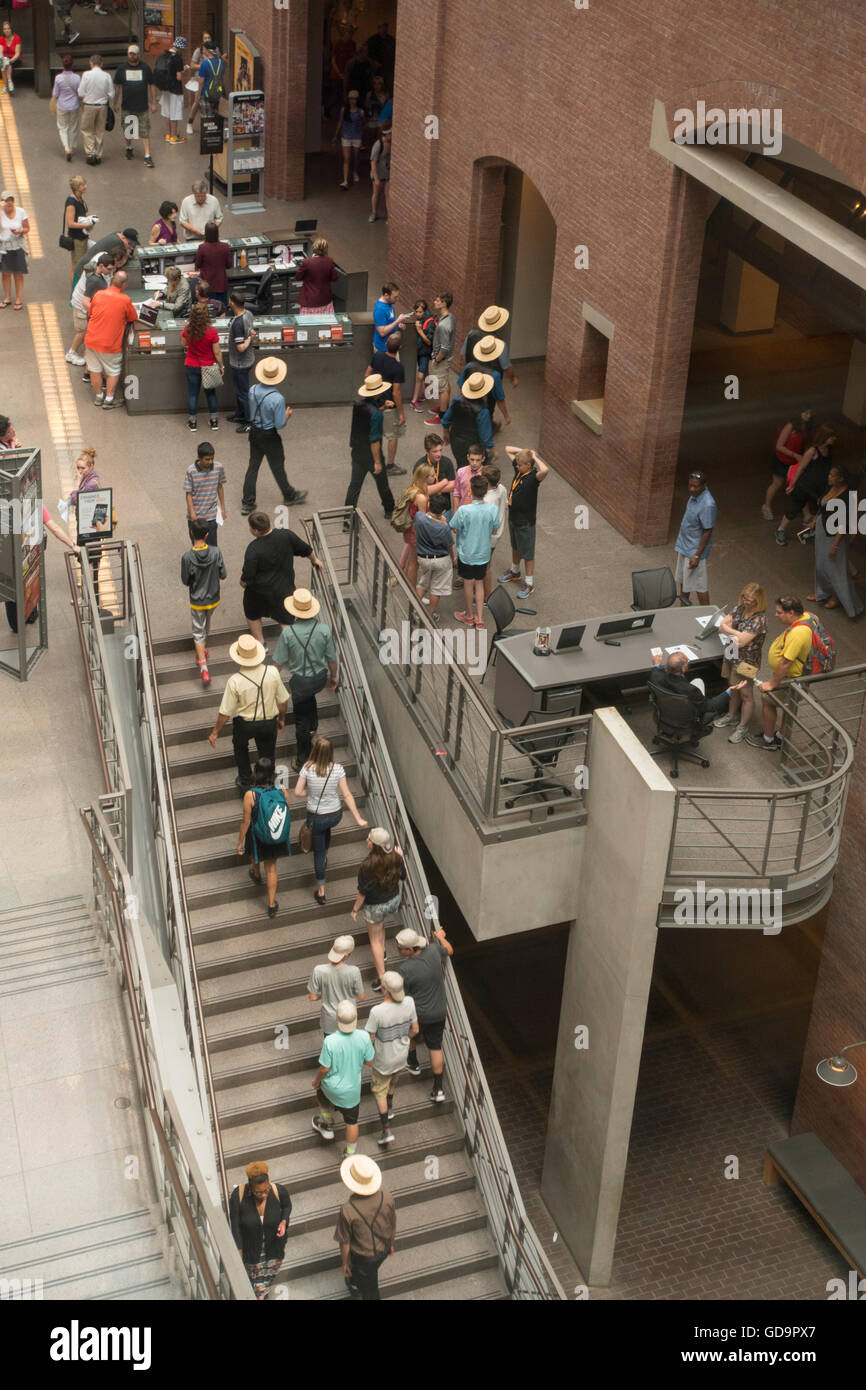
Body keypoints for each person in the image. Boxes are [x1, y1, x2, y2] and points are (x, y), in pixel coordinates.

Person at [209, 632, 290, 790]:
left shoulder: (235, 681)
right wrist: (281, 719)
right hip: (268, 722)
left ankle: (245, 780)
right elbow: (283, 700)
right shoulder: (272, 672)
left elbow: (225, 712)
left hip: (245, 724)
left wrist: (215, 732)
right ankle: (266, 782)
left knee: (240, 747)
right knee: (267, 754)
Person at [747, 597, 827, 750]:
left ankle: (769, 740)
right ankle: (781, 736)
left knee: (767, 699)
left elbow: (785, 663)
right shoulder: (808, 616)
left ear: (791, 612)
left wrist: (772, 684)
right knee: (789, 706)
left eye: (779, 612)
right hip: (799, 675)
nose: (776, 615)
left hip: (793, 678)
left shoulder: (798, 633)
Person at [296, 738, 367, 906]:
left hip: (317, 816)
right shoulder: (338, 769)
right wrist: (358, 818)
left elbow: (298, 792)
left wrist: (311, 793)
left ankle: (321, 892)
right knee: (325, 831)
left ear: (314, 751)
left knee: (318, 854)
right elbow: (347, 795)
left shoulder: (307, 768)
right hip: (335, 815)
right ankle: (325, 853)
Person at [275, 589, 338, 773]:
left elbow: (278, 663)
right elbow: (332, 658)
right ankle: (314, 725)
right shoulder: (324, 630)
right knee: (310, 698)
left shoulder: (287, 634)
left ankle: (303, 759)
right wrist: (333, 676)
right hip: (319, 678)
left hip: (300, 682)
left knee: (300, 720)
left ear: (294, 611)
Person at [240, 511, 322, 647]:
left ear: (254, 530)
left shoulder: (253, 549)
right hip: (283, 589)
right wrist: (315, 560)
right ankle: (291, 648)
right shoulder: (286, 535)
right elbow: (306, 550)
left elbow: (248, 576)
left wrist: (243, 583)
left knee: (252, 613)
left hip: (259, 592)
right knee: (285, 619)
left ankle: (261, 643)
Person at [395, 925, 454, 1104]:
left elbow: (401, 997)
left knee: (409, 1031)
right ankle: (439, 1089)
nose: (397, 950)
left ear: (411, 949)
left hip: (419, 1014)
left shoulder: (405, 970)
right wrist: (441, 937)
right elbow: (450, 950)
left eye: (401, 948)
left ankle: (412, 1061)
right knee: (435, 1047)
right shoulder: (434, 950)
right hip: (439, 1011)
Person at [243, 357, 308, 514]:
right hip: (270, 436)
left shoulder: (252, 390)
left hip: (254, 432)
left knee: (253, 467)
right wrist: (287, 415)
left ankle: (247, 502)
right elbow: (279, 424)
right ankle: (289, 495)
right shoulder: (278, 399)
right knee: (278, 466)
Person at [4, 503, 80, 633]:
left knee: (12, 588)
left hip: (10, 557)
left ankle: (16, 624)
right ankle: (31, 613)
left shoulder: (5, 505)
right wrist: (72, 545)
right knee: (31, 578)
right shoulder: (34, 503)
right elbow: (54, 528)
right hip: (30, 554)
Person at [312, 1000, 375, 1157]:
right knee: (352, 1123)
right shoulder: (364, 1037)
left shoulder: (330, 1041)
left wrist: (316, 1081)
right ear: (356, 1017)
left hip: (331, 1087)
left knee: (321, 1098)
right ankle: (350, 1154)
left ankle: (326, 1125)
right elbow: (370, 1062)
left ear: (337, 1019)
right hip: (351, 1091)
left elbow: (324, 1068)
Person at [366, 972, 418, 1148]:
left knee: (379, 1090)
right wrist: (403, 1039)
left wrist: (368, 1056)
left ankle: (386, 1130)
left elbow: (371, 1037)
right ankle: (390, 1108)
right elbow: (415, 1030)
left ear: (385, 990)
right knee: (393, 1082)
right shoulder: (409, 1002)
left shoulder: (377, 1011)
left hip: (383, 1059)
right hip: (401, 1056)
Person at [335, 1153, 396, 1301]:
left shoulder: (348, 1209)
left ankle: (356, 1283)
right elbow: (392, 1222)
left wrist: (345, 1263)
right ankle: (356, 1281)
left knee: (370, 1291)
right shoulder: (387, 1197)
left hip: (364, 1256)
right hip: (385, 1247)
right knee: (367, 1273)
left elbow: (345, 1242)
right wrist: (392, 1244)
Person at [351, 829, 406, 993]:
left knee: (374, 938)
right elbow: (403, 877)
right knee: (380, 926)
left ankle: (382, 978)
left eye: (369, 839)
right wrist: (401, 857)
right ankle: (382, 953)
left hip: (375, 906)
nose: (366, 840)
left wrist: (355, 910)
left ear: (374, 846)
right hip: (393, 900)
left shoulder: (367, 866)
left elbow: (362, 892)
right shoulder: (395, 857)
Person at [805, 464, 863, 618]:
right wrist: (814, 521)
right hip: (822, 530)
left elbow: (843, 524)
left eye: (832, 475)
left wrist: (836, 545)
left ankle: (840, 598)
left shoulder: (847, 497)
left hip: (834, 535)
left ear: (841, 479)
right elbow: (822, 507)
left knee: (836, 569)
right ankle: (823, 592)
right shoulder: (829, 487)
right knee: (820, 565)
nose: (828, 477)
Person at [229, 1160, 292, 1301]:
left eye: (266, 1190)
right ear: (250, 1188)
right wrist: (239, 1252)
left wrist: (283, 1221)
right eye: (258, 1192)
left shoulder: (279, 1191)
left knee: (267, 1279)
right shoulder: (238, 1195)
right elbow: (235, 1226)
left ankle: (263, 1292)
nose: (263, 1195)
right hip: (251, 1250)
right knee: (257, 1285)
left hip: (274, 1248)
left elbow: (287, 1207)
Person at [713, 583, 768, 743]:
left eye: (751, 600)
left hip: (747, 662)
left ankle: (742, 727)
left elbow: (742, 642)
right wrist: (738, 633)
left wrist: (731, 630)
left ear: (759, 601)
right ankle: (731, 715)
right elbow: (721, 628)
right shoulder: (739, 609)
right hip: (732, 655)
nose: (747, 602)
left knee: (746, 694)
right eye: (745, 597)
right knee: (732, 686)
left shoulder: (759, 619)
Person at [236, 756, 291, 917]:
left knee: (254, 853)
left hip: (257, 836)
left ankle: (257, 874)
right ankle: (271, 904)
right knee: (272, 869)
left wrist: (239, 842)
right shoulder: (281, 790)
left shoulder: (250, 795)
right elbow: (286, 810)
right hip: (275, 834)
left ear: (256, 772)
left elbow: (245, 822)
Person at [650, 650, 746, 734]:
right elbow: (710, 706)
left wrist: (656, 664)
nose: (688, 662)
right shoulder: (690, 690)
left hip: (664, 716)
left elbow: (655, 670)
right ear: (683, 669)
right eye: (688, 662)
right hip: (686, 721)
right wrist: (729, 691)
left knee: (697, 681)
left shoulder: (656, 676)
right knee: (699, 682)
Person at [497, 446, 549, 598]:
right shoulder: (519, 471)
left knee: (527, 553)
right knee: (515, 546)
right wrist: (525, 451)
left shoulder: (534, 477)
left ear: (529, 465)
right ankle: (514, 571)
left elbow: (545, 470)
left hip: (525, 521)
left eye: (520, 465)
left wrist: (535, 456)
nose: (517, 466)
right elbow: (507, 449)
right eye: (517, 464)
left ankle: (529, 583)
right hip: (513, 517)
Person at [344, 375, 396, 520]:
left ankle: (347, 519)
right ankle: (389, 508)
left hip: (357, 452)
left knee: (354, 486)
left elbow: (369, 415)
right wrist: (377, 462)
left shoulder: (358, 405)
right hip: (371, 455)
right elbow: (375, 441)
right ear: (378, 392)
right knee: (382, 483)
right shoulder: (377, 415)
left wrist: (382, 407)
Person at [450, 473, 499, 628]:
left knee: (468, 584)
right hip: (483, 554)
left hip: (467, 554)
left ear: (470, 490)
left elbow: (453, 525)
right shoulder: (492, 509)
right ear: (485, 491)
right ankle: (480, 618)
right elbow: (494, 530)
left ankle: (469, 615)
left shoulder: (464, 510)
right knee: (479, 584)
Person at [775, 424, 836, 547]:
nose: (834, 438)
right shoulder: (812, 451)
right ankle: (780, 530)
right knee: (794, 509)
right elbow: (801, 468)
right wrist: (792, 484)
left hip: (820, 487)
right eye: (832, 436)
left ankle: (812, 528)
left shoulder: (829, 450)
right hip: (805, 485)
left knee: (824, 507)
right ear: (825, 437)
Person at [181, 518, 226, 685]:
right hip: (213, 598)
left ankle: (204, 669)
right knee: (206, 625)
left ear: (191, 533)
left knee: (198, 631)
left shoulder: (187, 557)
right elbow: (223, 574)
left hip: (197, 600)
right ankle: (202, 651)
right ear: (207, 534)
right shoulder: (216, 552)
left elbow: (186, 580)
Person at [84, 268, 137, 408]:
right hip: (110, 344)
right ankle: (109, 399)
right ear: (124, 285)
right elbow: (133, 317)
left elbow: (91, 313)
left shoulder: (98, 295)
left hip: (91, 340)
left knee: (94, 369)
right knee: (112, 370)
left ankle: (98, 396)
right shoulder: (125, 299)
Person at [366, 330, 407, 475]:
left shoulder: (377, 355)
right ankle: (390, 466)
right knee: (392, 435)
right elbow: (396, 392)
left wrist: (374, 395)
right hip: (389, 406)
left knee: (375, 434)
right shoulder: (398, 367)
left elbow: (367, 375)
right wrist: (401, 413)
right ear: (400, 347)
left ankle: (373, 461)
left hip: (375, 403)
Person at [674, 470, 717, 604]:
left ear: (704, 485)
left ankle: (708, 615)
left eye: (695, 486)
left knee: (699, 586)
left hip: (694, 551)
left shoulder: (708, 505)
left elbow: (707, 531)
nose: (692, 489)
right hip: (684, 546)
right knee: (683, 581)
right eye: (690, 485)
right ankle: (683, 608)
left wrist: (697, 555)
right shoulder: (694, 496)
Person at [762, 408, 813, 521]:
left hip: (795, 461)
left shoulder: (806, 427)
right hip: (782, 459)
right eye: (806, 413)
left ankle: (807, 514)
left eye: (810, 413)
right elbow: (779, 446)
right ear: (799, 413)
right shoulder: (790, 426)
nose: (809, 416)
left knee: (799, 485)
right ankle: (766, 506)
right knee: (777, 483)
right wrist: (795, 455)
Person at [308, 935, 365, 1034]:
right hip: (348, 1016)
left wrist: (323, 994)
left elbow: (312, 997)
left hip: (329, 1019)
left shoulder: (318, 970)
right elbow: (361, 997)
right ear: (346, 955)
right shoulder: (354, 971)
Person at [182, 301, 224, 432]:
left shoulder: (188, 329)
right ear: (207, 315)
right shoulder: (212, 331)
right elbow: (217, 352)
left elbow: (183, 344)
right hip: (208, 366)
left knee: (193, 394)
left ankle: (193, 422)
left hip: (191, 364)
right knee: (211, 394)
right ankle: (214, 421)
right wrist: (221, 366)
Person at [113, 44, 156, 168]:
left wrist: (153, 102)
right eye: (130, 53)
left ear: (138, 55)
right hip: (127, 105)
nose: (132, 55)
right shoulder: (122, 69)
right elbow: (117, 87)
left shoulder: (145, 68)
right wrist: (115, 103)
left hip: (142, 106)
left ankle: (147, 155)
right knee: (128, 129)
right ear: (128, 54)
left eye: (134, 53)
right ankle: (129, 147)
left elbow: (152, 85)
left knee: (144, 130)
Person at [442, 376, 497, 472]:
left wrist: (446, 432)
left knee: (461, 464)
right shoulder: (483, 411)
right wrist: (494, 450)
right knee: (477, 468)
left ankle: (461, 480)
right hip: (474, 445)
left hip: (456, 440)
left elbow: (446, 420)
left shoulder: (456, 400)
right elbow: (485, 437)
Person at [67, 251, 113, 366]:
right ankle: (71, 353)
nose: (110, 272)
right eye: (109, 269)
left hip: (87, 307)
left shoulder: (99, 272)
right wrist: (98, 312)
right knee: (82, 331)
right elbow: (85, 302)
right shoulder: (93, 280)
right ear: (101, 266)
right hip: (81, 307)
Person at [414, 495, 455, 624]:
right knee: (436, 589)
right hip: (441, 560)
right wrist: (453, 559)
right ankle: (429, 616)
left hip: (423, 558)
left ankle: (414, 611)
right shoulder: (443, 528)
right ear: (443, 511)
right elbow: (449, 545)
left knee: (423, 584)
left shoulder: (419, 518)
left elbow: (421, 510)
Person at [462, 305, 519, 389]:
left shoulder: (471, 335)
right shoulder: (500, 344)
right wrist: (513, 378)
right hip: (490, 382)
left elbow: (463, 355)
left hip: (472, 378)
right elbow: (506, 366)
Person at [458, 335, 510, 427]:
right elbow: (500, 398)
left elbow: (461, 387)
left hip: (469, 408)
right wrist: (506, 415)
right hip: (484, 410)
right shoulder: (495, 375)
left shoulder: (469, 366)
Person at [396, 462, 432, 589]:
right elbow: (423, 519)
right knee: (414, 563)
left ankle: (410, 589)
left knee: (413, 561)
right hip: (417, 533)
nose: (434, 478)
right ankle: (412, 593)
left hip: (410, 531)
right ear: (425, 478)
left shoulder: (412, 489)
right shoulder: (421, 497)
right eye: (431, 476)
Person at [184, 440, 226, 548]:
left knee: (212, 546)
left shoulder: (218, 468)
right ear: (199, 457)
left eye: (212, 458)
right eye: (207, 459)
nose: (210, 462)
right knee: (197, 545)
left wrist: (223, 508)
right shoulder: (191, 471)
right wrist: (193, 514)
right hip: (196, 517)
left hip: (211, 515)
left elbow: (220, 487)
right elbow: (188, 494)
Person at [425, 292, 457, 425]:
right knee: (445, 383)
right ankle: (445, 408)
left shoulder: (444, 325)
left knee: (442, 387)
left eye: (438, 300)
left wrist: (437, 359)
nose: (435, 302)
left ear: (444, 303)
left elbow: (444, 348)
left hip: (442, 359)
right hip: (446, 359)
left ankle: (442, 416)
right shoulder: (450, 317)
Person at [227, 292, 256, 431]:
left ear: (232, 302)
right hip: (248, 359)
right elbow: (252, 330)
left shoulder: (237, 324)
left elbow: (241, 347)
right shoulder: (248, 314)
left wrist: (249, 338)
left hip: (240, 363)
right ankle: (240, 414)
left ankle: (249, 422)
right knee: (239, 391)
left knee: (243, 393)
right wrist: (251, 335)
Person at [78, 54, 114, 166]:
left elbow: (80, 93)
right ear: (101, 64)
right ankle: (98, 155)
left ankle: (91, 154)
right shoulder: (107, 76)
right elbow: (111, 94)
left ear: (91, 63)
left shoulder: (86, 75)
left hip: (88, 105)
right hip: (102, 106)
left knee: (87, 130)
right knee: (100, 131)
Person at [73, 227, 138, 284]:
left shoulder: (117, 234)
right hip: (83, 270)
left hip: (87, 268)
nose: (131, 246)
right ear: (123, 237)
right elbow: (120, 262)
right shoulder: (118, 242)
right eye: (130, 244)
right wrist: (127, 252)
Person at [0, 191, 29, 311]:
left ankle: (18, 299)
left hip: (17, 246)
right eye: (6, 200)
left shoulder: (21, 211)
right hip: (4, 247)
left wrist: (20, 231)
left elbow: (27, 228)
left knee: (18, 273)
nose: (9, 202)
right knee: (5, 273)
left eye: (11, 200)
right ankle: (7, 298)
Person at [482, 463, 508, 597]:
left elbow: (489, 524)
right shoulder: (502, 488)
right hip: (497, 535)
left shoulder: (487, 499)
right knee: (488, 564)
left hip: (488, 539)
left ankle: (487, 594)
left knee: (485, 568)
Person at [294, 237, 339, 315]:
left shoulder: (306, 262)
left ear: (314, 248)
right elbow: (335, 278)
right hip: (324, 300)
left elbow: (298, 277)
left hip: (309, 301)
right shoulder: (329, 261)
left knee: (307, 325)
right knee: (325, 324)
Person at [63, 176, 94, 283]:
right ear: (77, 187)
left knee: (80, 263)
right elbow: (70, 223)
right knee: (76, 265)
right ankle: (75, 289)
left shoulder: (79, 199)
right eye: (82, 185)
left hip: (83, 236)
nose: (85, 187)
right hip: (77, 239)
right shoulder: (71, 202)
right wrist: (86, 225)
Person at [194, 221, 232, 307]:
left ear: (206, 233)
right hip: (221, 284)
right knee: (222, 308)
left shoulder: (202, 247)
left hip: (206, 286)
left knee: (208, 309)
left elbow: (198, 264)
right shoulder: (225, 246)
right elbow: (229, 265)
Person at [157, 36, 187, 145]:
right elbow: (178, 77)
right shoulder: (177, 58)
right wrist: (183, 71)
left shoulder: (164, 54)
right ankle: (174, 137)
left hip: (165, 88)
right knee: (175, 112)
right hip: (175, 89)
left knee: (167, 112)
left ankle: (168, 135)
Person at [52, 54, 82, 161]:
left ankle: (66, 147)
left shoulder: (58, 78)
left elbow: (55, 94)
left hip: (62, 105)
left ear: (63, 65)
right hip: (74, 105)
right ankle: (72, 147)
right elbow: (80, 92)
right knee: (73, 126)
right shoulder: (77, 78)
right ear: (72, 65)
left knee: (63, 127)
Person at [410, 299, 437, 411]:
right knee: (425, 372)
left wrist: (419, 331)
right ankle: (428, 393)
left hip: (424, 353)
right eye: (416, 312)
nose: (418, 314)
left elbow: (429, 341)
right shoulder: (419, 319)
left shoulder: (429, 323)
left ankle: (414, 401)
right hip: (418, 351)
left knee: (420, 376)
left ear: (425, 311)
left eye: (420, 312)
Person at [335, 90, 366, 188]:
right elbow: (340, 122)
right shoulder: (344, 110)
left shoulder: (361, 112)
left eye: (354, 99)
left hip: (357, 137)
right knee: (346, 159)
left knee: (356, 157)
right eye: (351, 99)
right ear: (348, 99)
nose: (352, 101)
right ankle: (345, 180)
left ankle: (355, 171)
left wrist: (362, 138)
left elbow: (363, 124)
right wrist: (336, 134)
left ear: (357, 100)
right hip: (346, 136)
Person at [372, 282, 410, 352]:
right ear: (386, 295)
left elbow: (389, 322)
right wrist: (397, 321)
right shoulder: (379, 309)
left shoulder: (389, 303)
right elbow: (382, 332)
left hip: (392, 347)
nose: (397, 299)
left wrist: (398, 325)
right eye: (395, 297)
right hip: (383, 349)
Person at [368, 125, 392, 223]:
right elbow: (373, 162)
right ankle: (374, 213)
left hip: (387, 173)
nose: (392, 136)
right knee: (376, 194)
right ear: (386, 134)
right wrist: (376, 178)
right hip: (378, 173)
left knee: (387, 195)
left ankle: (389, 216)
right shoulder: (378, 144)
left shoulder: (391, 144)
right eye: (390, 134)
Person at [367, 21, 396, 85]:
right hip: (376, 69)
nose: (384, 29)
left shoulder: (391, 40)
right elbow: (367, 54)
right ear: (379, 28)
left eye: (385, 27)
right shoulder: (372, 40)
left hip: (388, 69)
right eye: (382, 27)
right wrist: (374, 62)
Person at [0, 20, 21, 96]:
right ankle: (9, 83)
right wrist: (2, 59)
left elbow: (17, 54)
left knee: (7, 64)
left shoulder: (17, 38)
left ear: (11, 29)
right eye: (5, 29)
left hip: (15, 59)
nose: (6, 30)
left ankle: (6, 85)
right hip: (5, 58)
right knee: (3, 63)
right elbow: (0, 52)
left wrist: (9, 60)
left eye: (8, 28)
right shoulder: (1, 39)